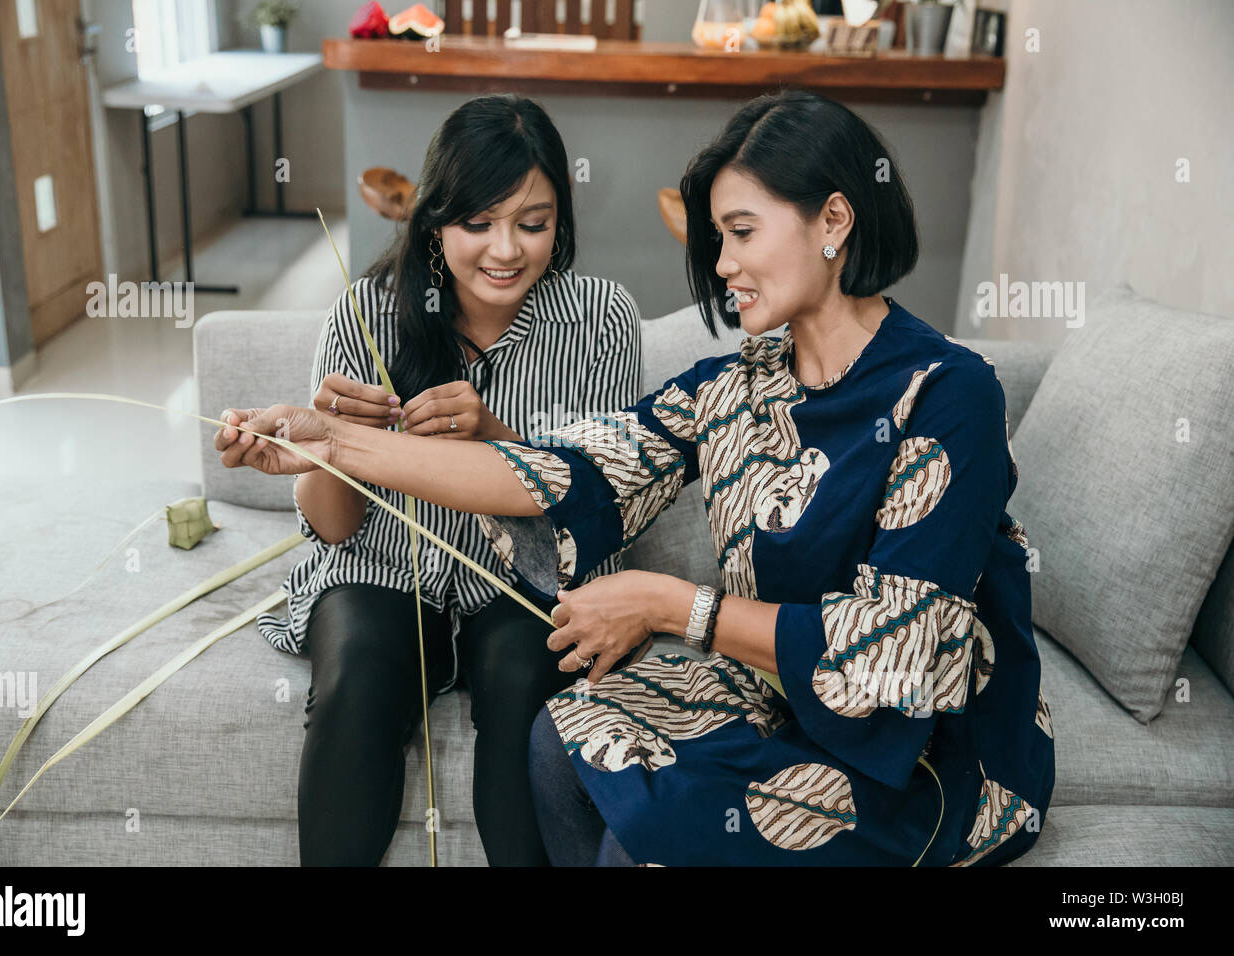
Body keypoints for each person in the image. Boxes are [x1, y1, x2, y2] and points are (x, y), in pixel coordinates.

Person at [217, 89, 1055, 867]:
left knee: (645, 825)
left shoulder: (950, 393)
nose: (721, 265)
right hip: (779, 701)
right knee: (562, 737)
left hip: (918, 753)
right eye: (717, 238)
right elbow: (562, 473)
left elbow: (897, 658)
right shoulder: (733, 387)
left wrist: (670, 605)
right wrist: (330, 440)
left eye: (742, 232)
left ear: (833, 219)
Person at [238, 94, 642, 866]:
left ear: (561, 221)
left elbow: (611, 501)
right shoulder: (366, 314)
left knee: (525, 671)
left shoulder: (603, 320)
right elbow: (334, 529)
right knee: (358, 665)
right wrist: (335, 442)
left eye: (533, 222)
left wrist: (495, 435)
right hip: (386, 568)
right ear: (434, 223)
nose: (505, 250)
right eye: (477, 223)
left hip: (527, 575)